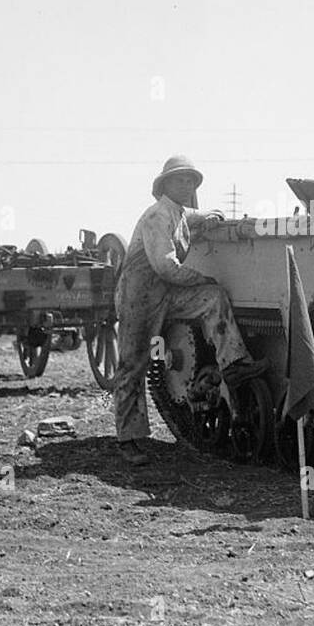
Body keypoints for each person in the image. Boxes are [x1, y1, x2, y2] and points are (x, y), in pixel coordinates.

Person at [113, 156, 267, 466]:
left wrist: (214, 216)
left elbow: (203, 215)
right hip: (139, 297)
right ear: (164, 185)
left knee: (213, 297)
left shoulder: (180, 212)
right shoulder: (158, 216)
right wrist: (200, 277)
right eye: (180, 180)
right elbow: (165, 266)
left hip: (165, 293)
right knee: (133, 365)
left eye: (191, 181)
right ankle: (128, 439)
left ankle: (233, 362)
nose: (187, 185)